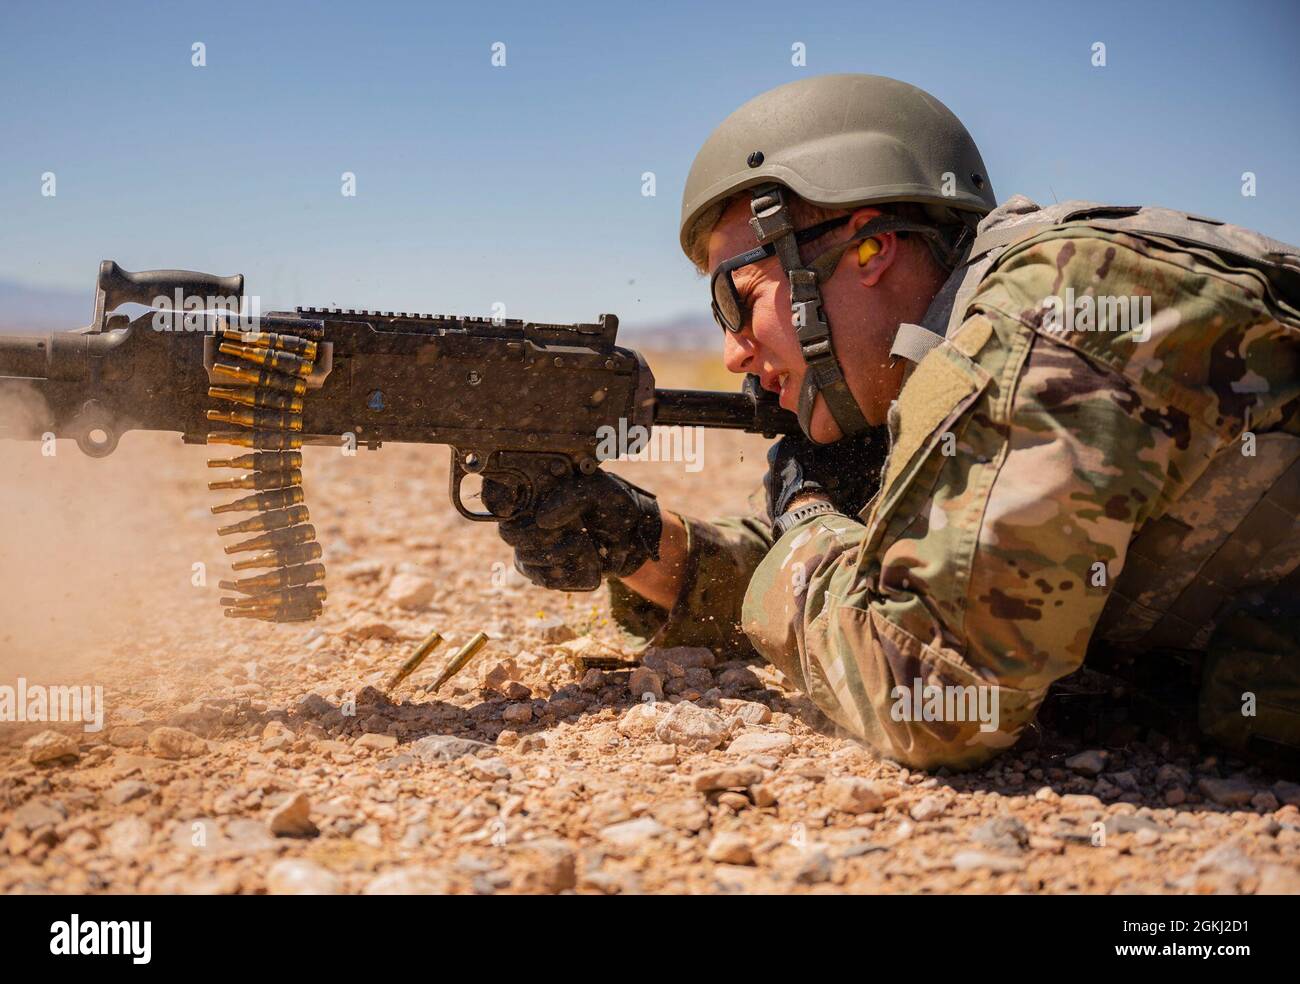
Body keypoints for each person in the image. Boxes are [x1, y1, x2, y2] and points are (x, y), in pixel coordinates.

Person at [487, 74, 1300, 769]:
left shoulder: (1058, 315)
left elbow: (939, 695)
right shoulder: (957, 356)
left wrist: (807, 519)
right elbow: (895, 584)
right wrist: (640, 543)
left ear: (867, 250)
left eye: (739, 296)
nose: (734, 353)